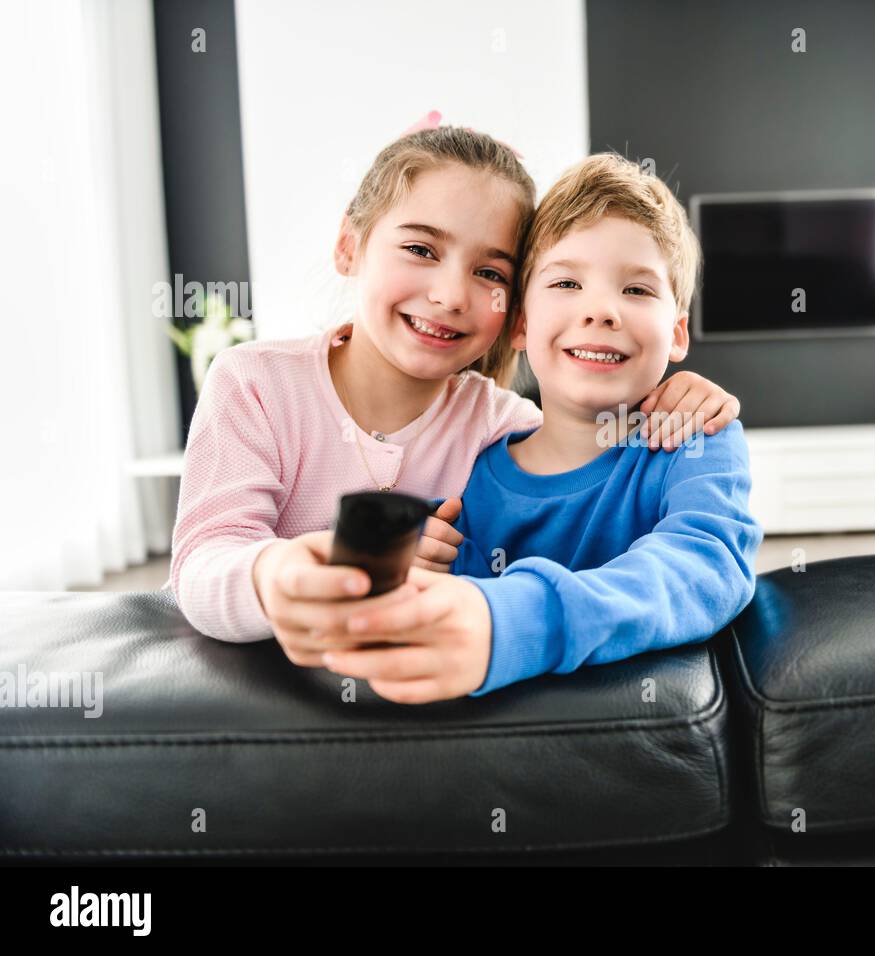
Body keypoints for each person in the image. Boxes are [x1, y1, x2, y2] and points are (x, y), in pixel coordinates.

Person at [168, 119, 741, 671]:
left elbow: (585, 476)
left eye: (490, 273)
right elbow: (205, 562)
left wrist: (675, 399)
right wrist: (278, 575)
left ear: (512, 310)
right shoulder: (256, 383)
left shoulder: (502, 428)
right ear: (350, 245)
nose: (449, 295)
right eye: (420, 249)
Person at [314, 153, 762, 702]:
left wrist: (520, 621)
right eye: (568, 283)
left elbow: (706, 568)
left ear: (676, 332)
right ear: (520, 323)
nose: (601, 310)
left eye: (637, 290)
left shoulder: (695, 441)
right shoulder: (468, 473)